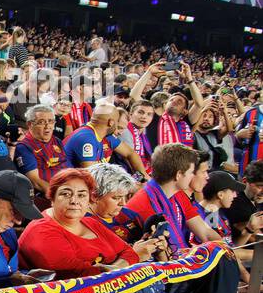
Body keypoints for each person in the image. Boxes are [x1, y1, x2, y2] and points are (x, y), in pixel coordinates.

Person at [19, 169, 162, 280]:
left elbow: (128, 252)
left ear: (89, 199)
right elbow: (84, 277)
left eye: (81, 195)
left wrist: (115, 267)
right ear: (52, 198)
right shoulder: (41, 232)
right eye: (65, 194)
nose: (74, 201)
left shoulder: (90, 222)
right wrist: (127, 262)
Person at [122, 143, 224, 253]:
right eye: (191, 172)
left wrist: (225, 250)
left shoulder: (178, 194)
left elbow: (206, 233)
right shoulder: (143, 205)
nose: (191, 177)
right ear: (179, 175)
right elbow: (168, 254)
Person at [14, 103, 65, 204]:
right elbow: (36, 182)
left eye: (51, 121)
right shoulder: (24, 147)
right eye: (41, 122)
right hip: (45, 198)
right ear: (29, 124)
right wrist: (59, 197)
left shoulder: (57, 141)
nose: (48, 126)